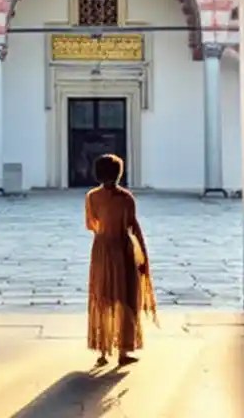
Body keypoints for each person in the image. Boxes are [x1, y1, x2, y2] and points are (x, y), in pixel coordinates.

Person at [84, 153, 157, 367]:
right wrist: (143, 256)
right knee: (125, 299)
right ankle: (124, 351)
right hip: (123, 250)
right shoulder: (126, 198)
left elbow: (91, 224)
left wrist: (104, 229)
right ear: (119, 173)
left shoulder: (92, 197)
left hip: (101, 250)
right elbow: (133, 226)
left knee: (102, 298)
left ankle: (103, 350)